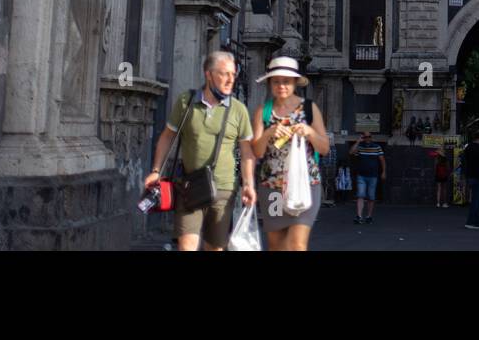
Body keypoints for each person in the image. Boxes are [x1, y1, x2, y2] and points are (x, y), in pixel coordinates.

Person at [146, 51, 257, 252]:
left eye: (233, 74)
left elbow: (247, 152)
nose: (231, 79)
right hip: (190, 186)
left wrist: (249, 184)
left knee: (215, 248)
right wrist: (156, 170)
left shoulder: (238, 110)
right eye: (224, 74)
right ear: (208, 74)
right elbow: (167, 136)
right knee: (187, 246)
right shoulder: (186, 102)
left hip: (223, 190)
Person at [250, 56, 330, 251]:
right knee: (276, 245)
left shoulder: (310, 109)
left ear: (295, 82)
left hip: (306, 185)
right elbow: (257, 152)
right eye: (276, 81)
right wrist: (269, 133)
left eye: (286, 81)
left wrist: (310, 132)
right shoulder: (264, 111)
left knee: (297, 245)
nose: (281, 86)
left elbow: (324, 148)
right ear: (270, 83)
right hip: (272, 188)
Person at [349, 131, 386, 225]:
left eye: (369, 137)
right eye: (365, 137)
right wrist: (358, 141)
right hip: (361, 175)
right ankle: (359, 216)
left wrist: (384, 172)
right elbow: (351, 152)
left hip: (373, 176)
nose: (367, 139)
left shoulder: (377, 147)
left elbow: (382, 160)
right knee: (360, 195)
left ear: (371, 137)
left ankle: (369, 216)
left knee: (371, 196)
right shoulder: (360, 147)